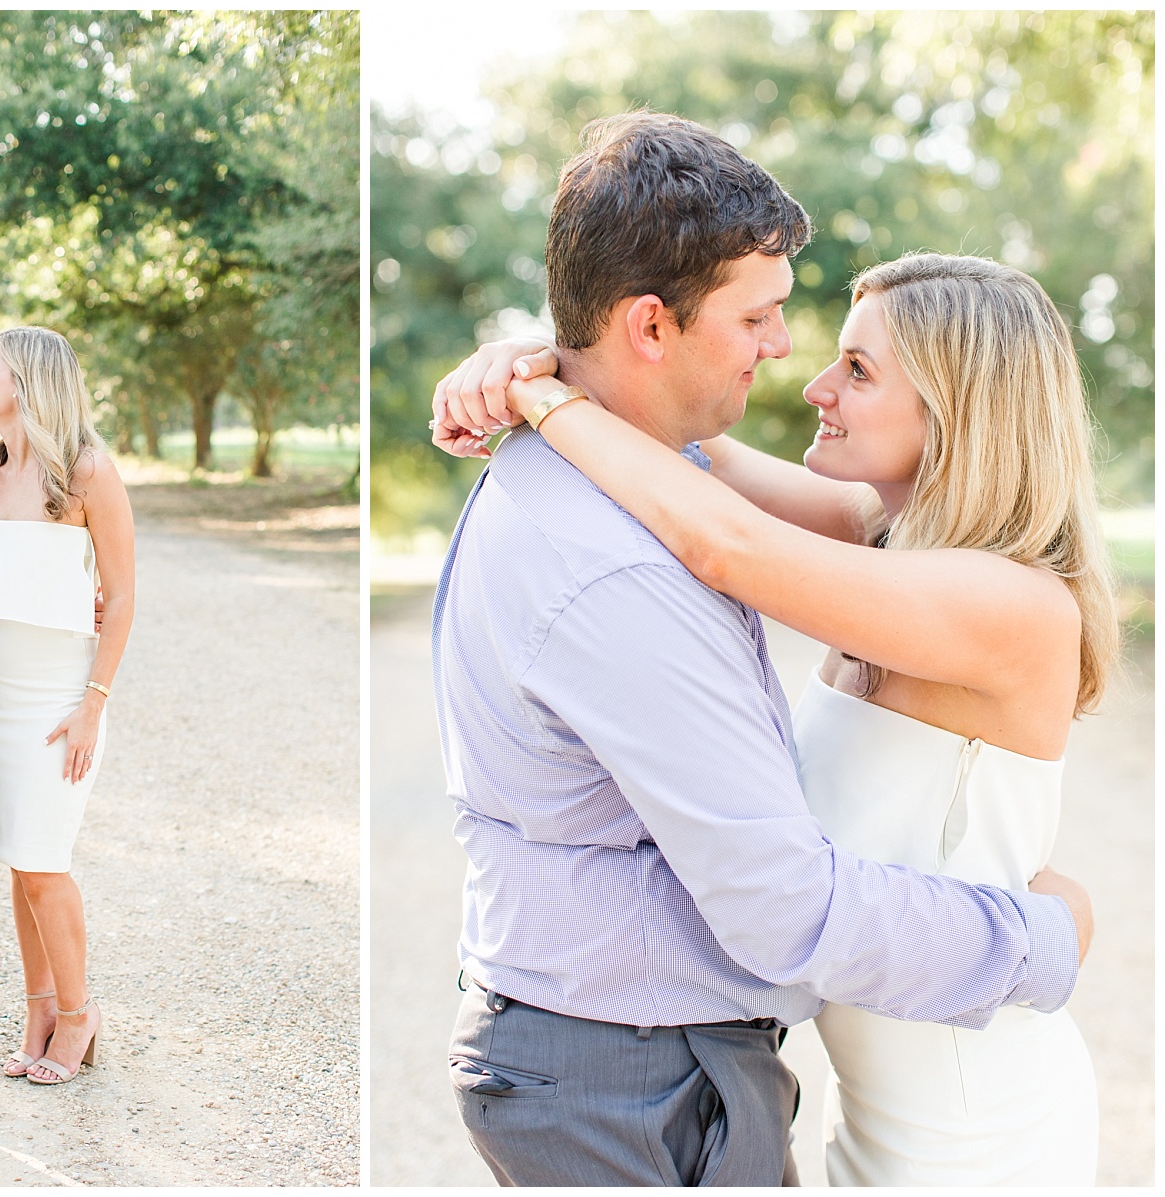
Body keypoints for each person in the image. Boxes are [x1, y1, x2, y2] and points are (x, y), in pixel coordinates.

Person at [422, 110, 1096, 1187]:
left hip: (975, 1115)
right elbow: (693, 455)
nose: (808, 380)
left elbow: (719, 532)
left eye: (855, 370)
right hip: (874, 1109)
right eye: (779, 326)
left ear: (959, 409)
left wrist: (550, 394)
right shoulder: (876, 541)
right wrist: (548, 360)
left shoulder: (1003, 600)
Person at [0, 326, 135, 1085]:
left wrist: (93, 701)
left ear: (26, 381)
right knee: (17, 860)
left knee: (44, 862)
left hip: (57, 697)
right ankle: (37, 1007)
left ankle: (78, 1014)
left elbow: (123, 594)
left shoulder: (89, 471)